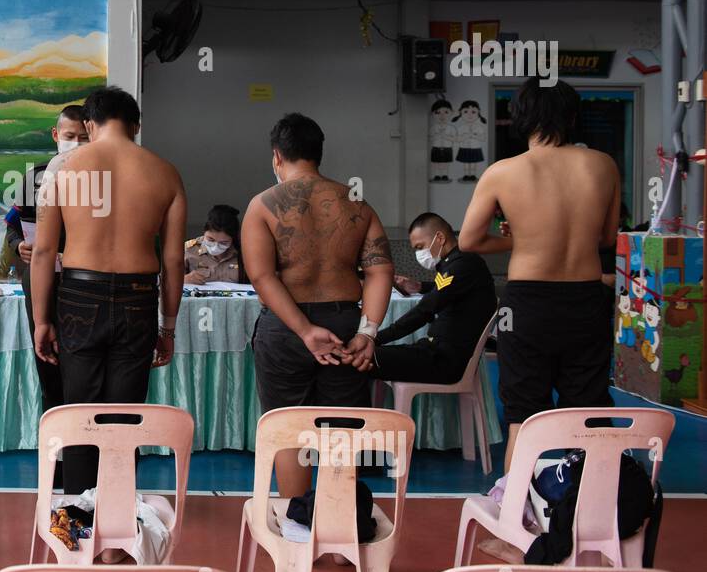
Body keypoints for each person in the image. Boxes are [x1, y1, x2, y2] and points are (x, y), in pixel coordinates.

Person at [31, 87, 187, 497]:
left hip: (80, 296)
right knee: (123, 416)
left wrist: (42, 320)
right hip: (138, 297)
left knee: (81, 413)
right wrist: (167, 329)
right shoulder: (165, 172)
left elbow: (45, 250)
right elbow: (172, 262)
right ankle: (116, 530)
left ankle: (80, 524)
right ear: (135, 125)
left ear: (89, 125)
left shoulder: (63, 168)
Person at [460, 77, 620, 467]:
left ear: (521, 117)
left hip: (527, 303)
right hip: (586, 298)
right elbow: (607, 237)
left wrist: (524, 238)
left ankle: (517, 519)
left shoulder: (502, 172)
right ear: (571, 116)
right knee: (589, 410)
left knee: (524, 414)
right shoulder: (603, 165)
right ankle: (588, 511)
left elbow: (468, 242)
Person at [242, 112, 392, 499]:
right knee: (341, 429)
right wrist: (367, 332)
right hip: (344, 326)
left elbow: (262, 278)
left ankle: (297, 523)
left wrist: (305, 331)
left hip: (286, 328)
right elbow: (379, 271)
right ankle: (341, 536)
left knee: (289, 426)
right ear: (318, 154)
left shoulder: (262, 205)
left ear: (277, 156)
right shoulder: (358, 205)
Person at [4, 105, 88, 431]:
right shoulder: (35, 177)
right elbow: (11, 229)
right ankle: (55, 448)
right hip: (39, 284)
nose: (76, 144)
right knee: (49, 366)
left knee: (82, 369)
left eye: (83, 138)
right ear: (56, 136)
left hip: (83, 285)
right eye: (69, 137)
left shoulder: (102, 180)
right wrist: (18, 246)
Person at [364, 212, 497, 382]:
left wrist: (373, 338)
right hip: (436, 351)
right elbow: (445, 289)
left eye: (420, 247)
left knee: (360, 358)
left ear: (439, 238)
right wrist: (420, 286)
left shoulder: (462, 265)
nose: (419, 254)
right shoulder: (457, 262)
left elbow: (424, 310)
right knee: (361, 357)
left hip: (442, 361)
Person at [184, 204, 245, 285]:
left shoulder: (243, 253)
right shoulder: (189, 250)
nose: (215, 246)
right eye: (210, 239)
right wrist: (184, 279)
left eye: (224, 242)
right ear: (204, 232)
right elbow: (168, 280)